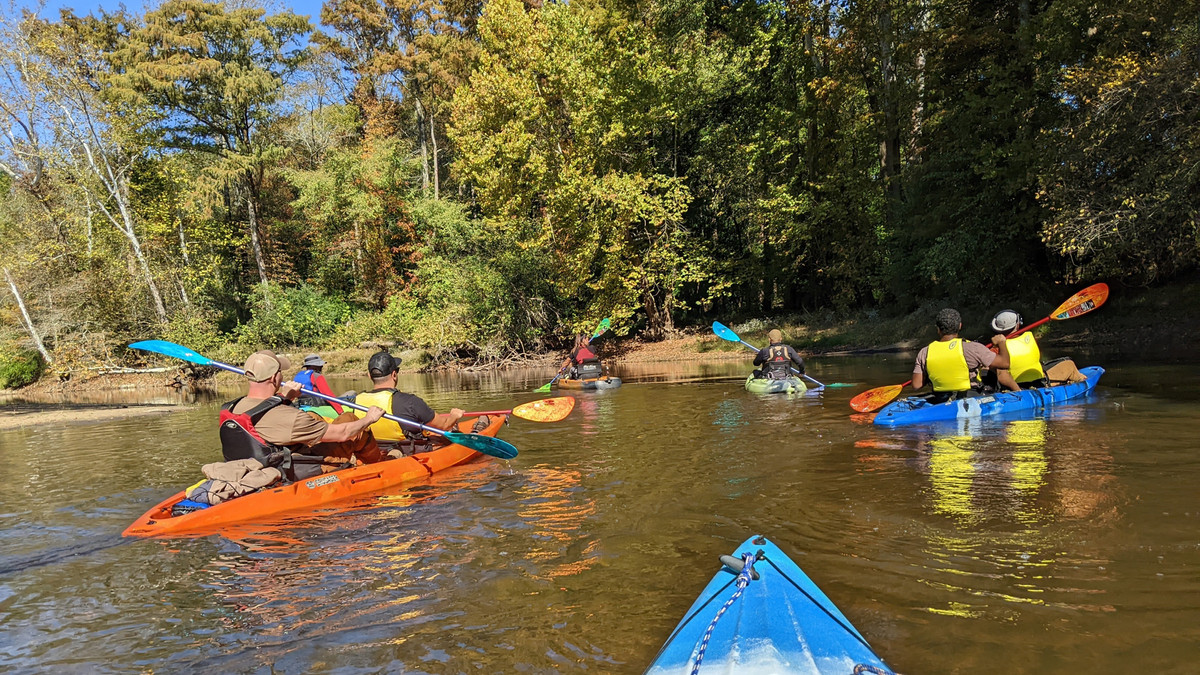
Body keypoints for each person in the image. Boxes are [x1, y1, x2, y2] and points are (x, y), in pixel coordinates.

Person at [219, 350, 387, 481]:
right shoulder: (290, 418)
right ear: (274, 378)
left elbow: (264, 412)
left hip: (261, 464)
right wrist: (369, 418)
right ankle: (380, 463)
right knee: (350, 421)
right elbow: (343, 433)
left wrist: (286, 398)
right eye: (280, 372)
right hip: (298, 468)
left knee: (314, 417)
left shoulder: (232, 408)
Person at [353, 351, 486, 454]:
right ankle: (477, 431)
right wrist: (454, 416)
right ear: (394, 374)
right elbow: (444, 426)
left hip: (376, 452)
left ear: (370, 376)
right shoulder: (410, 402)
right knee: (451, 430)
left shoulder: (355, 402)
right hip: (410, 453)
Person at [911, 308, 1019, 400]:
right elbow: (1005, 363)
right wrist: (1001, 343)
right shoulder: (972, 347)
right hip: (970, 397)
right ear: (960, 326)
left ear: (938, 329)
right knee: (990, 373)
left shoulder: (924, 352)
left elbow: (916, 385)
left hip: (941, 398)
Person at [988, 310, 1046, 388]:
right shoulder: (1031, 338)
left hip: (1015, 387)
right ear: (1018, 325)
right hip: (1039, 381)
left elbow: (996, 371)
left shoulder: (996, 349)